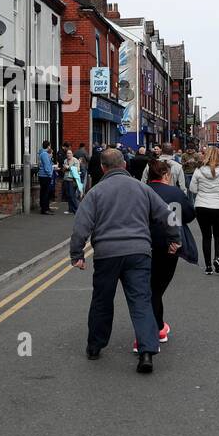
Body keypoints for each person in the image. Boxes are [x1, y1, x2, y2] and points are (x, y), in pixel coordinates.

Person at [69, 148, 173, 374]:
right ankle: (146, 352)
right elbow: (167, 214)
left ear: (103, 168)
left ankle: (95, 346)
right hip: (139, 252)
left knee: (102, 300)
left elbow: (81, 226)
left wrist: (77, 254)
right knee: (141, 301)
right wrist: (174, 239)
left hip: (107, 254)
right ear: (124, 165)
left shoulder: (96, 192)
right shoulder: (142, 188)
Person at [146, 159, 194, 345]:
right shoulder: (175, 192)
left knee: (151, 288)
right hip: (170, 245)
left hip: (143, 245)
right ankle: (156, 328)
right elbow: (189, 215)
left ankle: (156, 326)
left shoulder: (141, 190)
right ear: (166, 175)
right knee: (156, 288)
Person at [190, 146, 219, 275]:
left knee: (206, 236)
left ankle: (208, 266)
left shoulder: (198, 170)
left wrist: (203, 191)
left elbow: (193, 189)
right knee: (218, 235)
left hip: (202, 205)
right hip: (218, 205)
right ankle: (217, 258)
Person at [63, 150, 85, 214]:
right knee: (68, 195)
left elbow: (78, 169)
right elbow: (63, 170)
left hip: (72, 180)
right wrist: (64, 168)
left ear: (72, 154)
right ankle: (70, 209)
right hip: (66, 179)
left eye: (69, 153)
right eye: (67, 153)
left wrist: (69, 167)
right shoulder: (65, 160)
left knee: (72, 195)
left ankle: (77, 210)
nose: (68, 154)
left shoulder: (75, 160)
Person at [37, 141, 55, 215]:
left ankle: (45, 207)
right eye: (49, 146)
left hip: (43, 175)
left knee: (44, 192)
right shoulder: (44, 154)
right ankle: (44, 209)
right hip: (45, 176)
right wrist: (50, 174)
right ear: (48, 146)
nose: (50, 147)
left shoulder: (42, 153)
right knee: (45, 193)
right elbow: (47, 166)